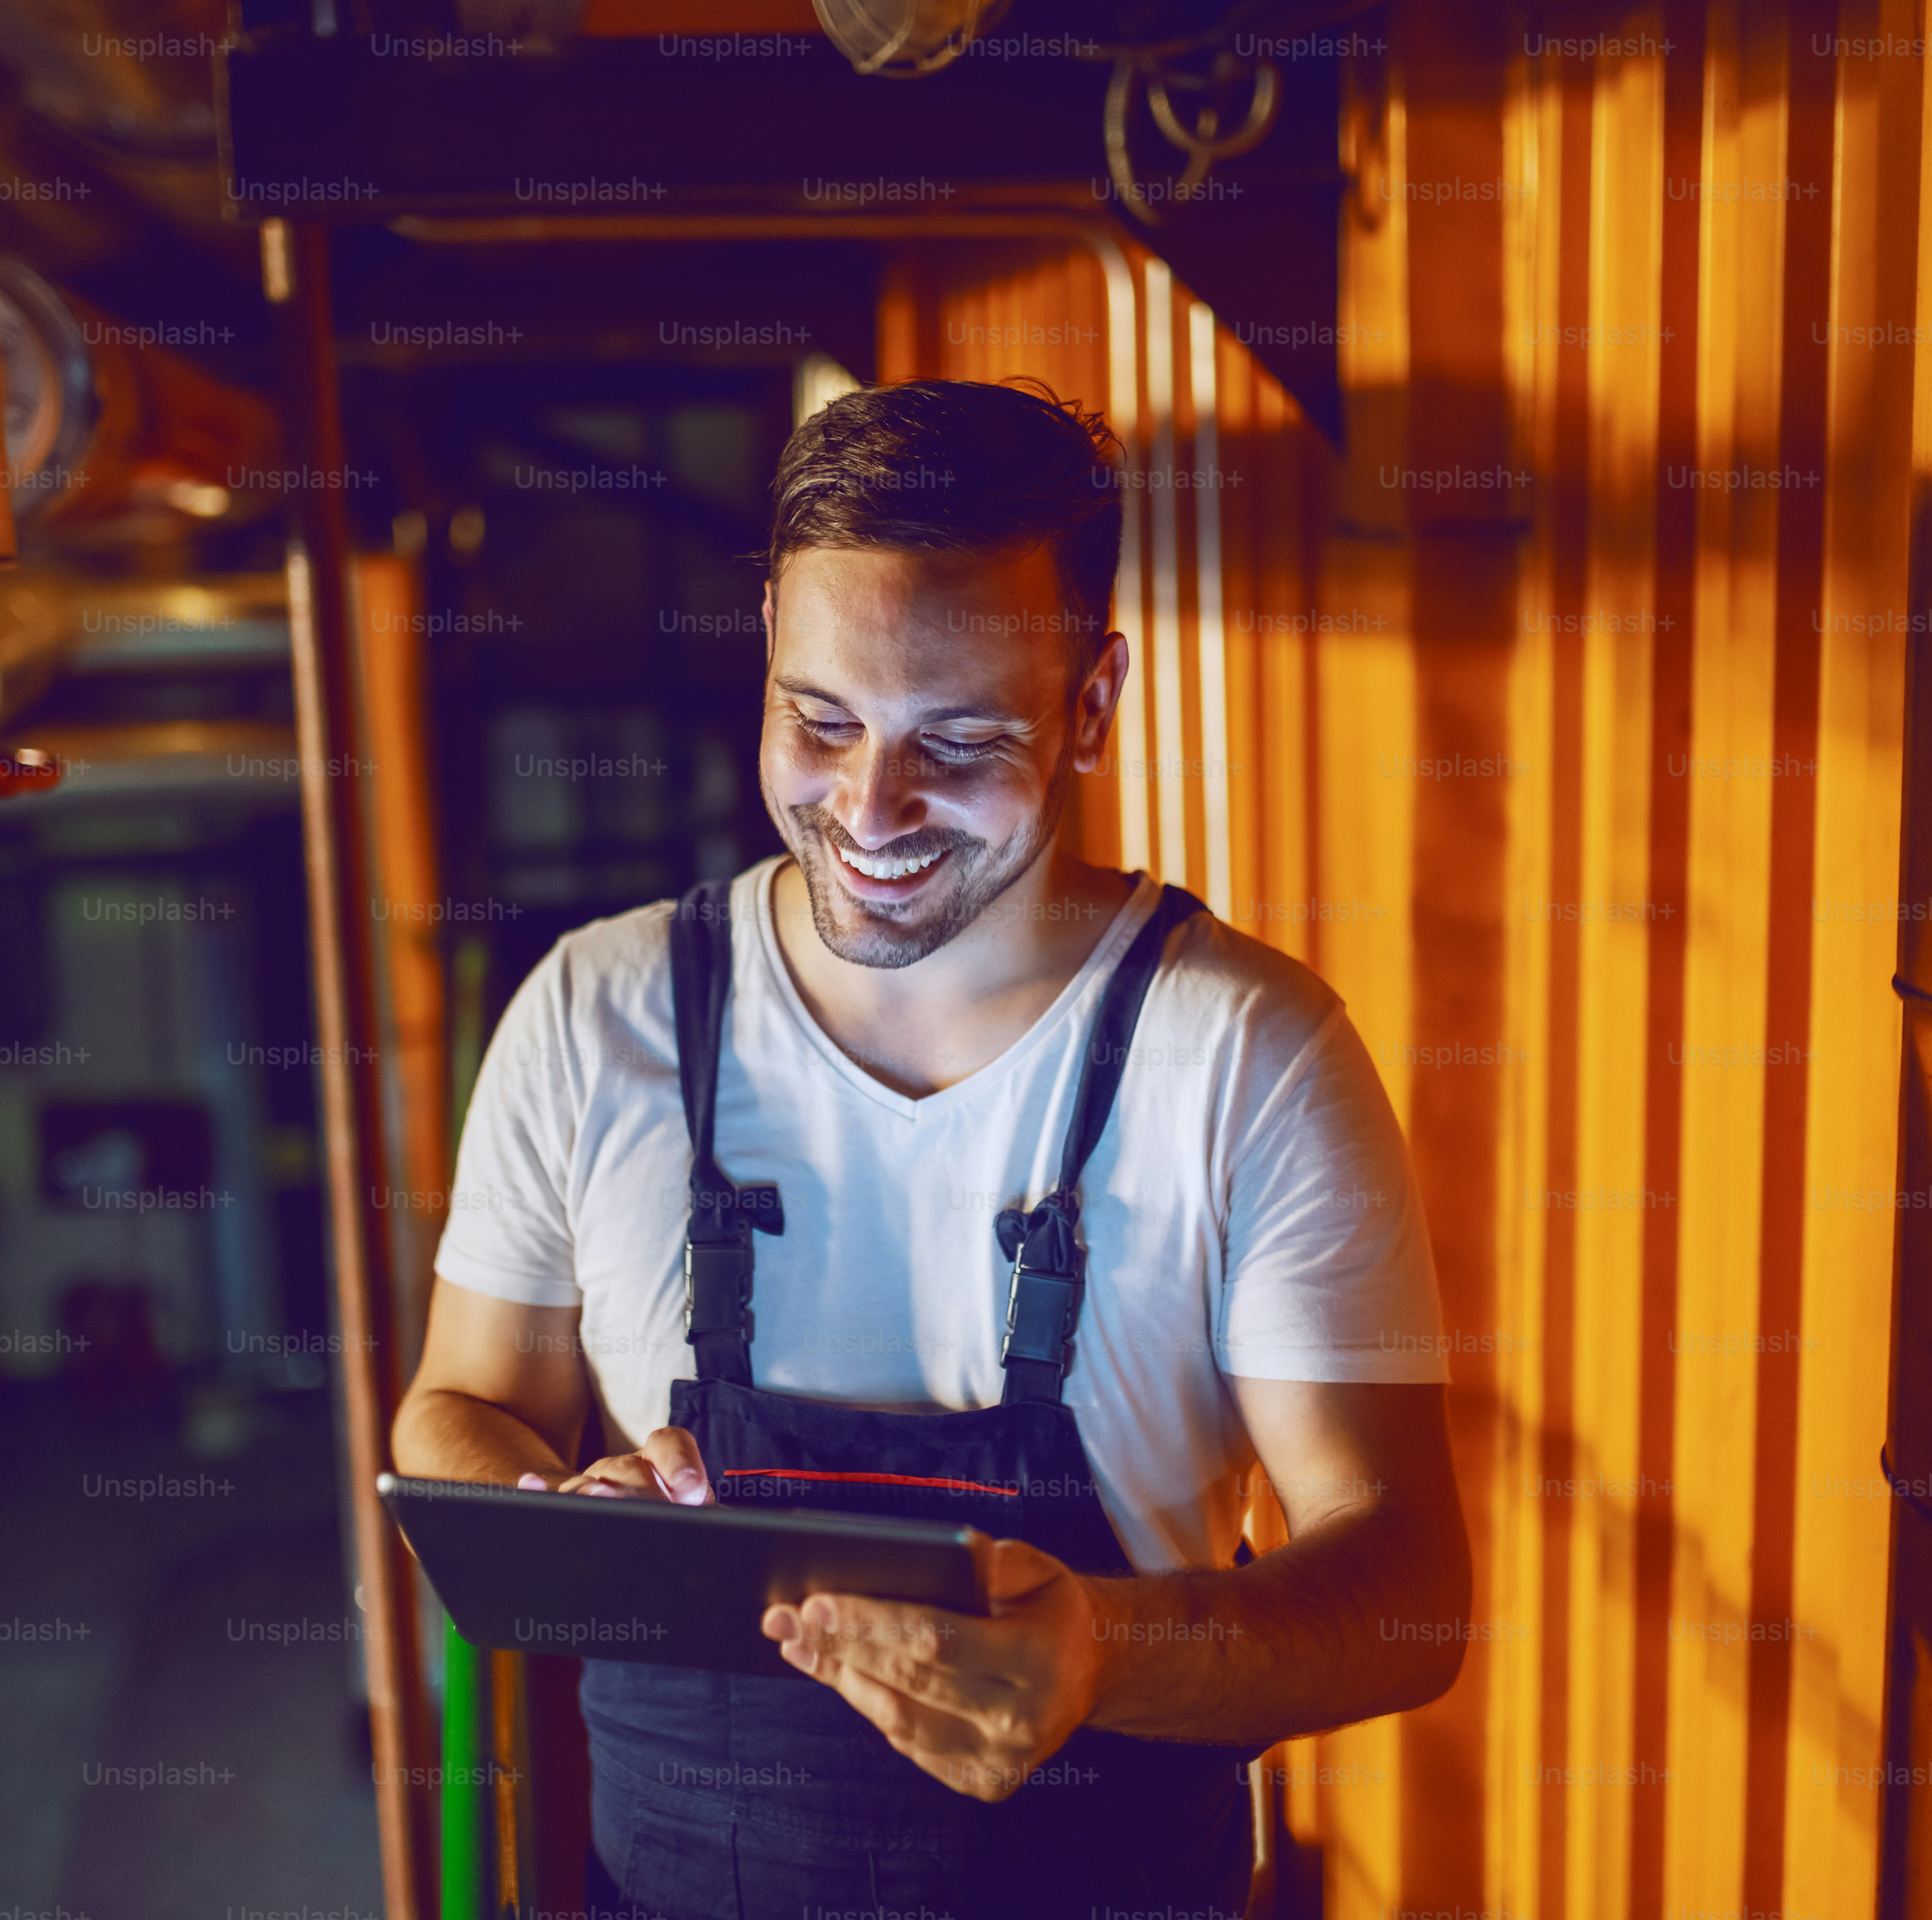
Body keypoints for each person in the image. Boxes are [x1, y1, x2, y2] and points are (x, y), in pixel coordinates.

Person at [392, 377, 1470, 1920]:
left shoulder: (1248, 1056)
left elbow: (1408, 1594)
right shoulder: (592, 1013)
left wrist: (1100, 1651)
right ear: (767, 633)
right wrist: (563, 1521)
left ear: (1093, 703)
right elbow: (461, 1403)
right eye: (819, 720)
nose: (870, 809)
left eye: (957, 741)